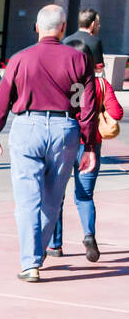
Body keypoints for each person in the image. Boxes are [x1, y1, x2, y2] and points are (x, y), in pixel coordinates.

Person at [0, 4, 97, 283]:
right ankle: (37, 253)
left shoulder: (21, 59)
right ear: (62, 28)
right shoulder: (78, 59)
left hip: (28, 127)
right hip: (64, 129)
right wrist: (90, 145)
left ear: (37, 27)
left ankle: (30, 263)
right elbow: (86, 104)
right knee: (52, 200)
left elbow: (3, 100)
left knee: (27, 201)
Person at [51, 47, 122, 261]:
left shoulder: (62, 81)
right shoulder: (100, 84)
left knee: (57, 195)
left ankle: (55, 245)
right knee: (85, 195)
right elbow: (117, 112)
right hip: (90, 144)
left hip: (64, 141)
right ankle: (89, 236)